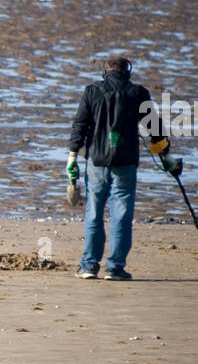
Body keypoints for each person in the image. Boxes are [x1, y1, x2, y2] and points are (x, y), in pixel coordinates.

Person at [66, 55, 177, 280]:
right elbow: (154, 129)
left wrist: (72, 157)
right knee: (122, 215)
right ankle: (115, 268)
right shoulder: (138, 93)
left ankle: (88, 266)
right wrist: (167, 157)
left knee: (94, 213)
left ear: (105, 72)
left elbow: (80, 125)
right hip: (125, 161)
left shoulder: (92, 91)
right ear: (128, 72)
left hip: (96, 160)